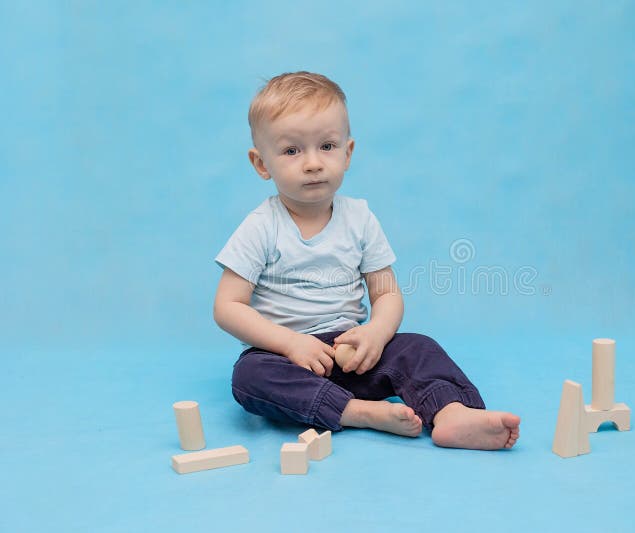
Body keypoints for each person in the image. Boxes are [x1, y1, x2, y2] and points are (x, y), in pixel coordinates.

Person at [213, 71, 520, 450]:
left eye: (327, 146)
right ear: (262, 164)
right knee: (248, 376)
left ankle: (451, 413)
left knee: (417, 347)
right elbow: (227, 307)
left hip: (353, 351)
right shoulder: (261, 227)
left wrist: (377, 333)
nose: (312, 163)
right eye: (292, 151)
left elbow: (386, 293)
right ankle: (358, 412)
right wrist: (291, 344)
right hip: (288, 357)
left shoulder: (359, 218)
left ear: (348, 152)